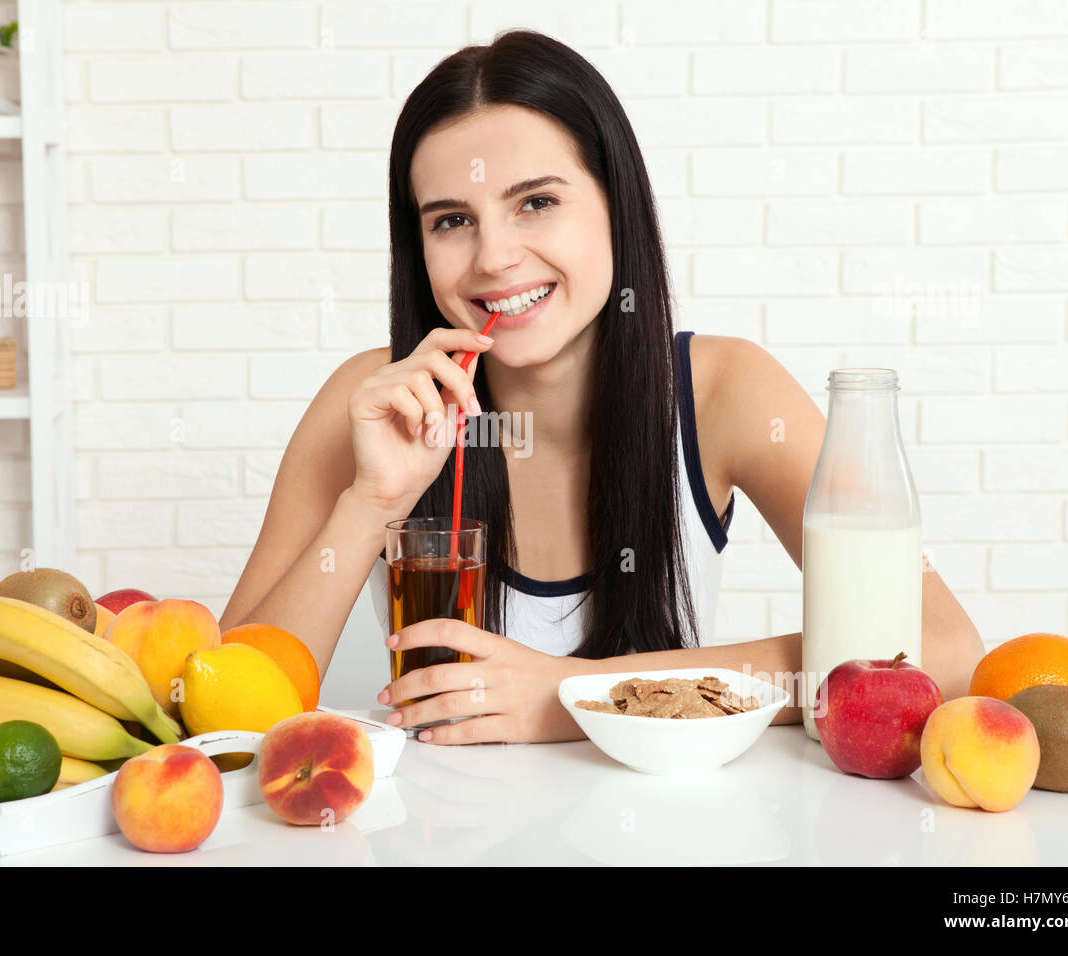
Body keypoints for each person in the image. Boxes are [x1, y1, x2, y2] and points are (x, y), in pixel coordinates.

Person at [220, 30, 984, 744]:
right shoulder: (375, 403)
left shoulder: (725, 392)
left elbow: (940, 651)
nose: (494, 257)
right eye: (452, 220)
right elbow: (225, 703)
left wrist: (572, 696)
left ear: (616, 203)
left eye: (537, 203)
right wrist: (373, 504)